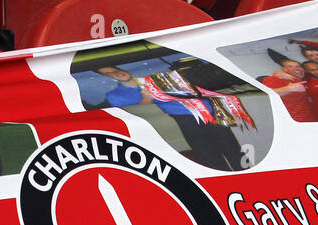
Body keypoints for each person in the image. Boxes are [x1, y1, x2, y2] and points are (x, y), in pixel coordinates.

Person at [97, 65, 248, 171]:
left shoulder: (153, 77)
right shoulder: (115, 95)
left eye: (115, 69)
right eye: (108, 73)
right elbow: (138, 112)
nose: (115, 73)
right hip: (185, 120)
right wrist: (146, 96)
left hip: (210, 113)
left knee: (234, 151)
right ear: (106, 79)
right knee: (210, 158)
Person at [260, 50, 318, 123]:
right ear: (284, 69)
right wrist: (289, 89)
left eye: (298, 66)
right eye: (291, 67)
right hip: (296, 123)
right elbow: (263, 96)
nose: (296, 69)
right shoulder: (277, 78)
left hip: (312, 120)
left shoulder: (305, 79)